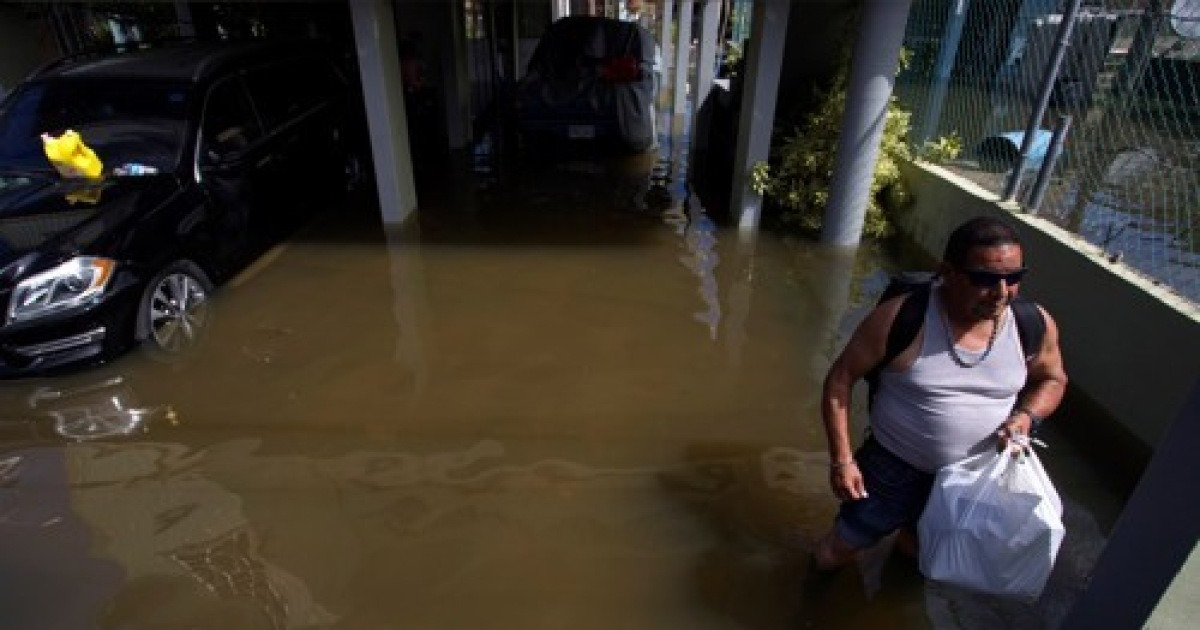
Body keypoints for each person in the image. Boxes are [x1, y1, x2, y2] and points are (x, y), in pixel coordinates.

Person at [813, 215, 1068, 570]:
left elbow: (1053, 379)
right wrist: (842, 460)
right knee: (836, 551)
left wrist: (1026, 416)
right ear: (948, 272)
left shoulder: (1032, 324)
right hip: (891, 469)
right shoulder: (902, 318)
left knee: (920, 552)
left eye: (1014, 278)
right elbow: (840, 380)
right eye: (985, 279)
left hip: (970, 479)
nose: (1001, 292)